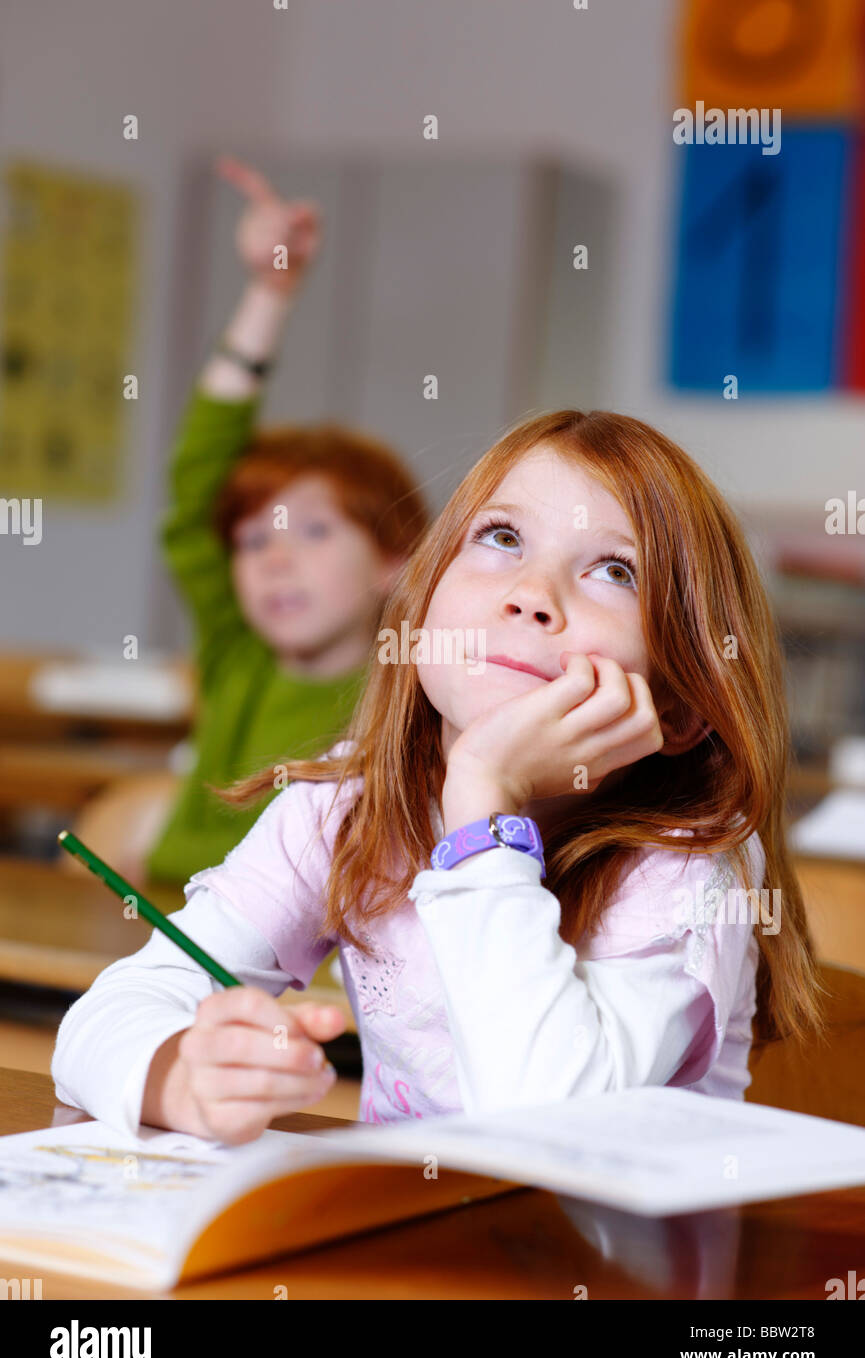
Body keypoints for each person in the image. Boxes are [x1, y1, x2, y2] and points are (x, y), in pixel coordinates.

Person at [52, 399, 826, 1142]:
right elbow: (110, 1014)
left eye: (615, 571)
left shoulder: (685, 861)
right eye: (500, 537)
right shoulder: (343, 807)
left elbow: (552, 1129)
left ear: (681, 705)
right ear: (421, 599)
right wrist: (179, 1074)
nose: (530, 595)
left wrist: (484, 803)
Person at [95, 156, 429, 887]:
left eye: (312, 532)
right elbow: (198, 482)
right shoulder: (236, 652)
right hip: (170, 926)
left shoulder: (412, 687)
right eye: (252, 540)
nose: (275, 560)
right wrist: (268, 292)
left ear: (394, 559)